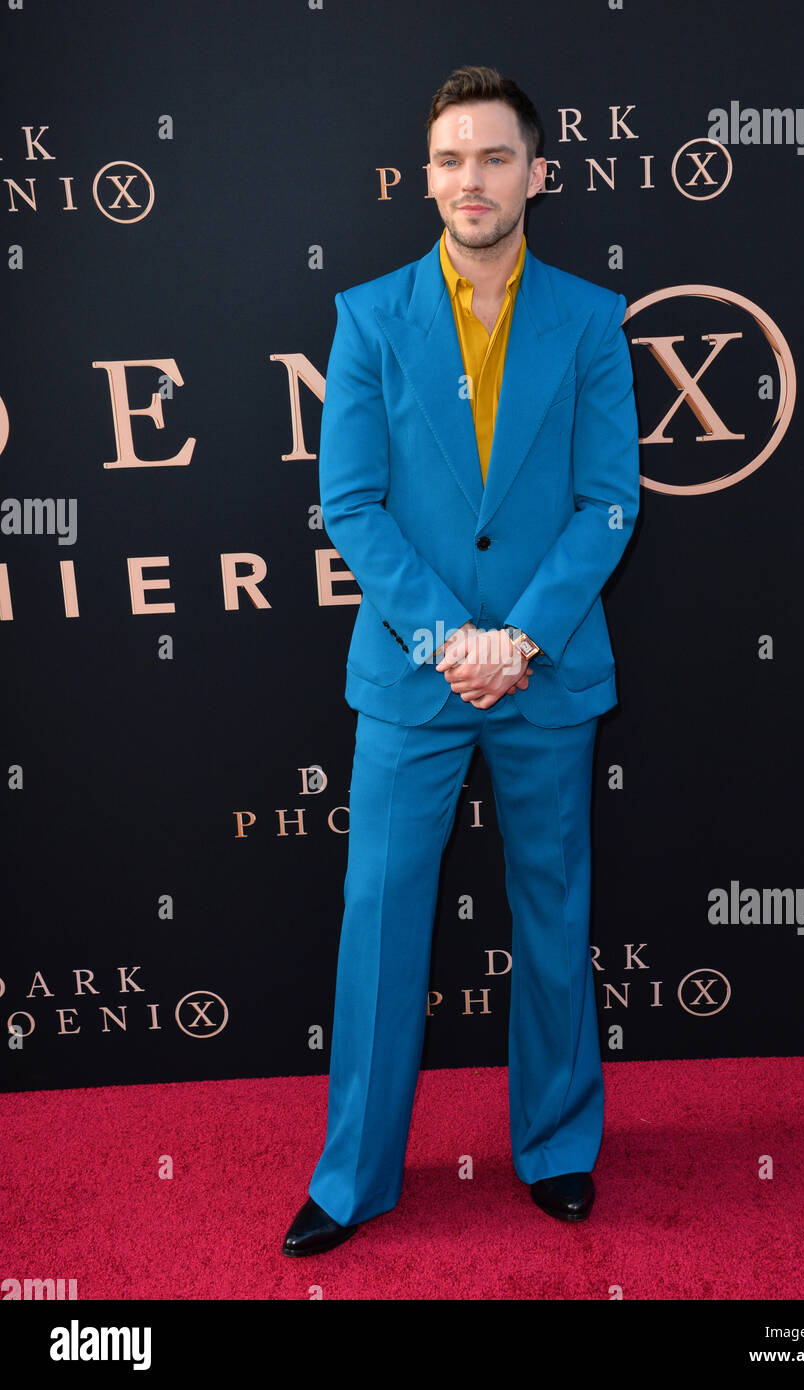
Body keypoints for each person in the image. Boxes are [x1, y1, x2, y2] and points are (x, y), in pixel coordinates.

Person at [282, 64, 640, 1256]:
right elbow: (352, 505)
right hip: (408, 677)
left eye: (493, 157)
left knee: (552, 910)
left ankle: (556, 1145)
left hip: (546, 674)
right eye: (449, 159)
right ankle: (354, 1175)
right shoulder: (369, 318)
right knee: (379, 919)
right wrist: (447, 643)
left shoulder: (591, 320)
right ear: (423, 175)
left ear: (538, 173)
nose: (469, 180)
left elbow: (605, 504)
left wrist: (518, 639)